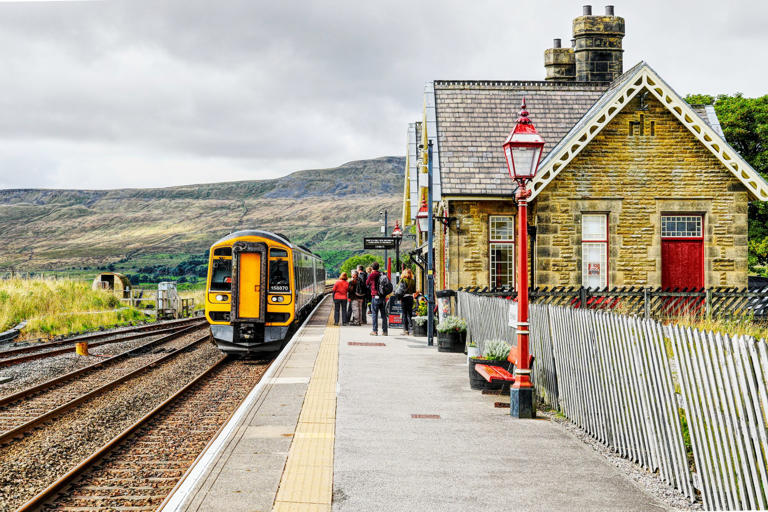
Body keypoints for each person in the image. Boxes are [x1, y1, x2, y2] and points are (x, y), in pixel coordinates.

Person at [366, 262, 387, 336]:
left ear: (372, 267)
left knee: (375, 314)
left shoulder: (372, 275)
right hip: (382, 296)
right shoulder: (382, 274)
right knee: (384, 315)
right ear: (378, 267)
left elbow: (367, 283)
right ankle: (385, 331)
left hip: (375, 296)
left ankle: (375, 331)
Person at [398, 268, 417, 335]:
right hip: (410, 298)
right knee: (410, 314)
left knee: (404, 314)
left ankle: (405, 330)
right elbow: (414, 291)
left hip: (404, 298)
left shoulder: (402, 280)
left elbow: (399, 290)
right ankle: (411, 329)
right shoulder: (413, 281)